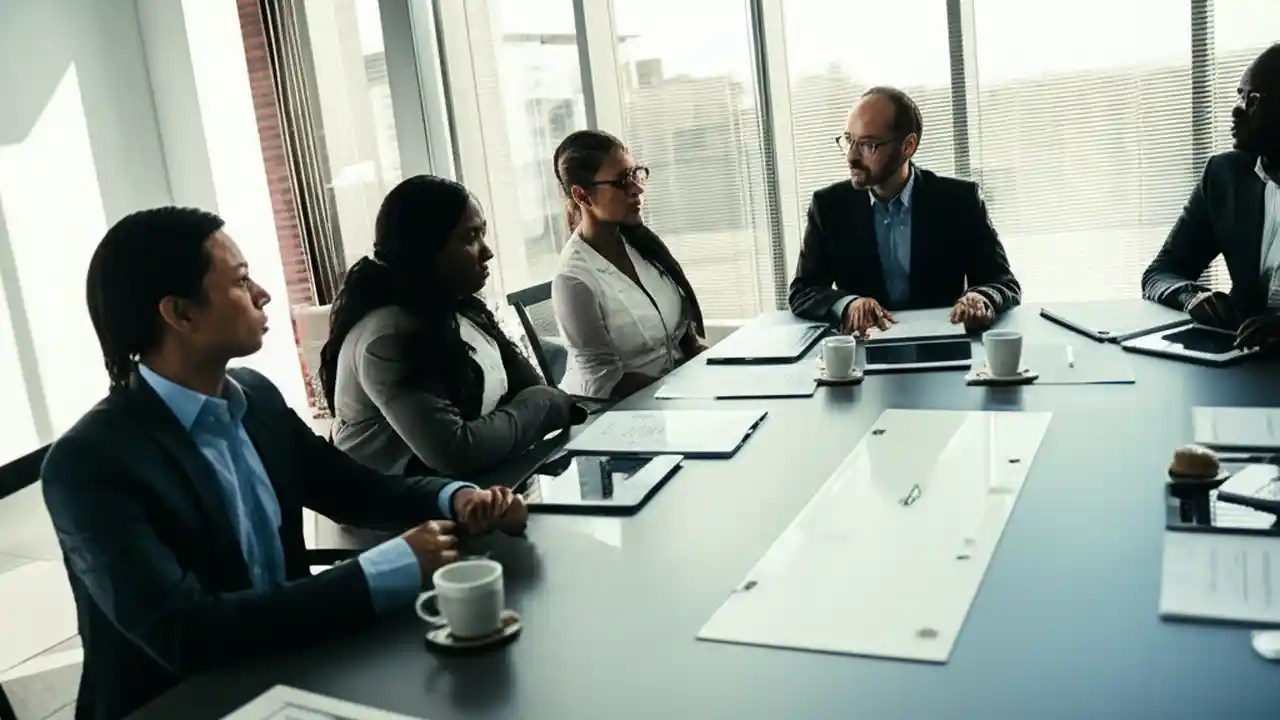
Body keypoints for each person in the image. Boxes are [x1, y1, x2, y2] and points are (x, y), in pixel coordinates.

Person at [42, 207, 527, 720]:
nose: (263, 294)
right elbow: (184, 632)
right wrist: (384, 570)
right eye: (241, 280)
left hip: (293, 674)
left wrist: (457, 499)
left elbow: (354, 490)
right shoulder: (89, 463)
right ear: (181, 314)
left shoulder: (255, 397)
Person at [320, 175, 583, 478]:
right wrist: (546, 405)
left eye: (483, 233)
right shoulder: (386, 336)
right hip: (401, 506)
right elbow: (457, 452)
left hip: (477, 489)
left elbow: (528, 388)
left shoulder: (458, 308)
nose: (487, 251)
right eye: (470, 237)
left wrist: (535, 406)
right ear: (425, 249)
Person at [789, 87, 1021, 336]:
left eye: (868, 145)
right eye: (848, 140)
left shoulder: (959, 200)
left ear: (908, 146)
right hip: (864, 346)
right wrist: (847, 304)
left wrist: (982, 297)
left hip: (942, 344)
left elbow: (1003, 282)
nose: (851, 156)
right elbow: (803, 290)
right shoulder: (829, 206)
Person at [1143, 43, 1280, 351]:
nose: (1237, 109)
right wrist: (1192, 296)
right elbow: (1160, 273)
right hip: (1241, 358)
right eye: (1240, 95)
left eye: (1253, 100)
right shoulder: (1224, 176)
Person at [551, 129, 707, 399]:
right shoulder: (574, 279)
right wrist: (682, 393)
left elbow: (685, 339)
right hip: (614, 409)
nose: (638, 189)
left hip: (668, 394)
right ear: (582, 196)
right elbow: (606, 382)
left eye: (636, 175)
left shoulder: (640, 244)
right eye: (623, 181)